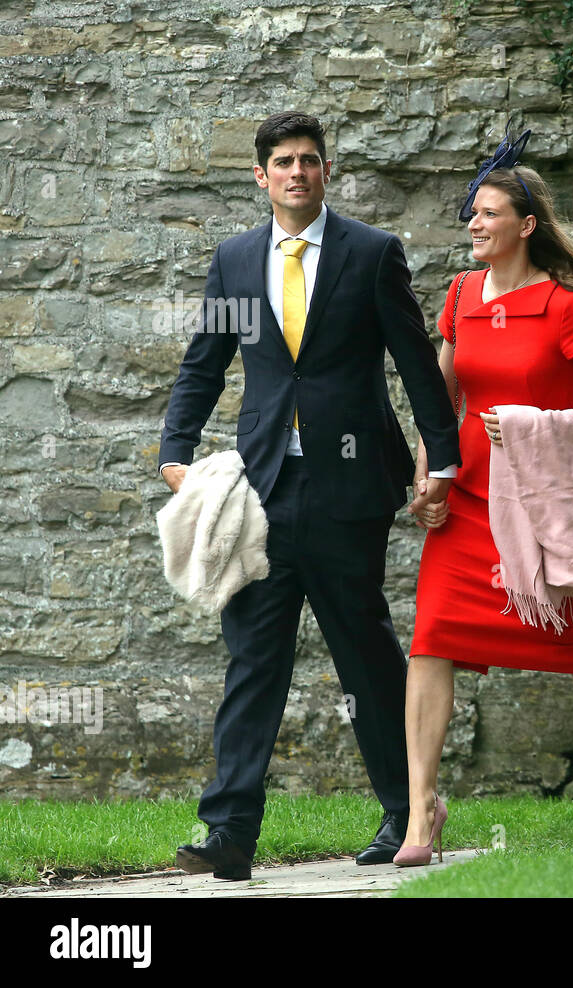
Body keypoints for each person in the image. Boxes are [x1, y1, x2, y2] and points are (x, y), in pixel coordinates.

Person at [159, 111, 460, 880]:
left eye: (309, 161)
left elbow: (416, 363)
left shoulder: (371, 252)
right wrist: (175, 451)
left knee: (364, 653)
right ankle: (228, 832)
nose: (298, 172)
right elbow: (204, 361)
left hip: (350, 489)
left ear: (327, 171)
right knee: (252, 659)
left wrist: (444, 462)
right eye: (283, 163)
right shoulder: (233, 261)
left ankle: (408, 807)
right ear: (261, 177)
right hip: (259, 490)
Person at [396, 138, 573, 863]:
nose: (474, 225)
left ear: (526, 225)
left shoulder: (566, 306)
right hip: (466, 507)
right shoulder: (458, 296)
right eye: (471, 215)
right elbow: (440, 403)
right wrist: (430, 478)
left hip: (538, 513)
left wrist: (537, 424)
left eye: (488, 214)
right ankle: (423, 812)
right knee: (430, 644)